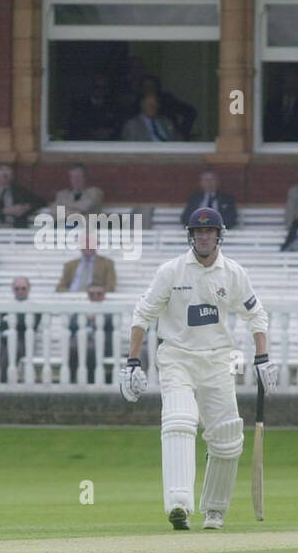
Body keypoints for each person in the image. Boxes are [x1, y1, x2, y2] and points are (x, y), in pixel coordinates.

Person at [118, 207, 276, 531]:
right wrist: (132, 362)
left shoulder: (232, 273)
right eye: (198, 232)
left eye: (210, 232)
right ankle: (179, 505)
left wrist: (263, 357)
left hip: (218, 359)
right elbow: (142, 315)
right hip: (177, 355)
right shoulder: (171, 271)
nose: (204, 236)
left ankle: (215, 510)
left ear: (219, 235)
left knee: (228, 438)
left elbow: (256, 315)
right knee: (179, 420)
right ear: (191, 235)